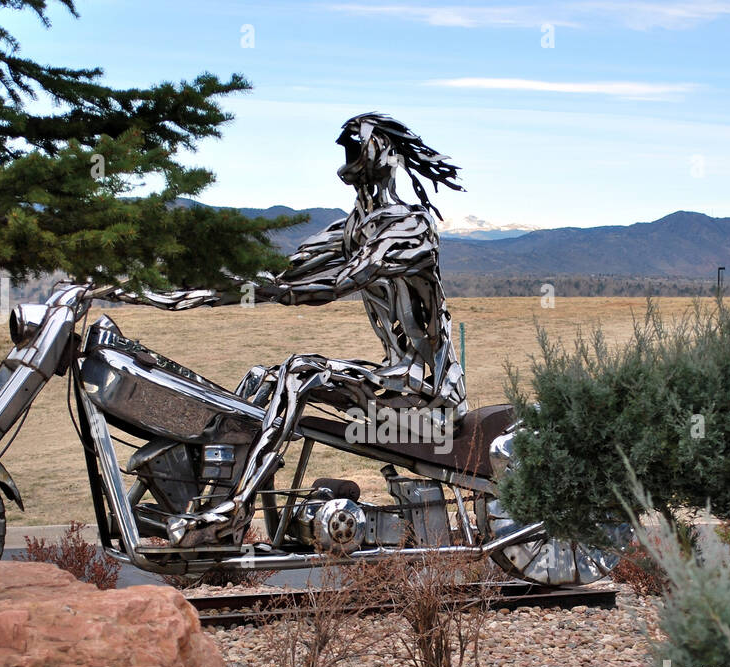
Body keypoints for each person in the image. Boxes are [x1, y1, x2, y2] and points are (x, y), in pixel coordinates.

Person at [112, 113, 468, 546]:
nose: (350, 146)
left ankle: (235, 509)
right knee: (260, 377)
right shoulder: (352, 231)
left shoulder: (411, 228)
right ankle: (218, 515)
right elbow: (282, 278)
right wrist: (166, 293)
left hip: (431, 400)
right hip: (397, 388)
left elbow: (338, 282)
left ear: (387, 153)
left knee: (301, 372)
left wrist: (280, 288)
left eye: (362, 141)